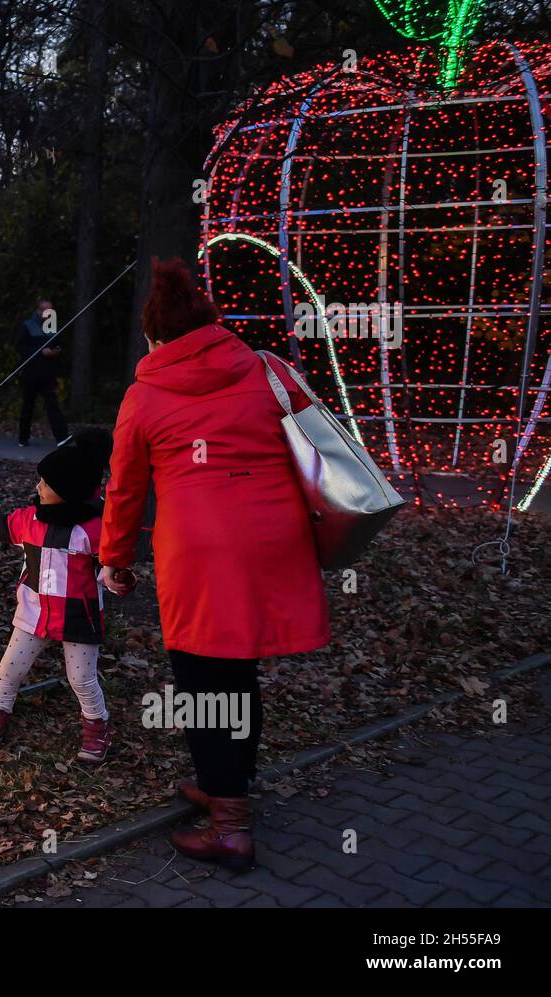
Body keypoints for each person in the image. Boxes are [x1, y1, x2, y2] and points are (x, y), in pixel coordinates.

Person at [98, 258, 329, 871]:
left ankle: (230, 825)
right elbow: (319, 443)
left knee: (205, 684)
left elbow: (124, 490)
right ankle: (222, 781)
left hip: (199, 555)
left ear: (156, 338)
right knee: (238, 669)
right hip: (273, 539)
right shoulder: (269, 369)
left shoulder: (145, 396)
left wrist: (114, 560)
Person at [0, 430, 114, 763]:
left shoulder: (95, 529)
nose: (38, 488)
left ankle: (97, 730)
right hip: (33, 615)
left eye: (45, 484)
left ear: (68, 491)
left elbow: (113, 565)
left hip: (80, 617)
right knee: (9, 670)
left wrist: (118, 578)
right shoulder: (30, 520)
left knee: (81, 678)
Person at [15, 299, 69, 446]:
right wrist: (39, 351)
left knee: (53, 403)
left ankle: (62, 437)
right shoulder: (28, 326)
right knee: (28, 405)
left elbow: (58, 344)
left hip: (47, 373)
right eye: (45, 310)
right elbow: (20, 347)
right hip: (31, 373)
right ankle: (23, 438)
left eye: (50, 310)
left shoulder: (52, 326)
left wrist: (56, 351)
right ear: (38, 311)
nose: (48, 314)